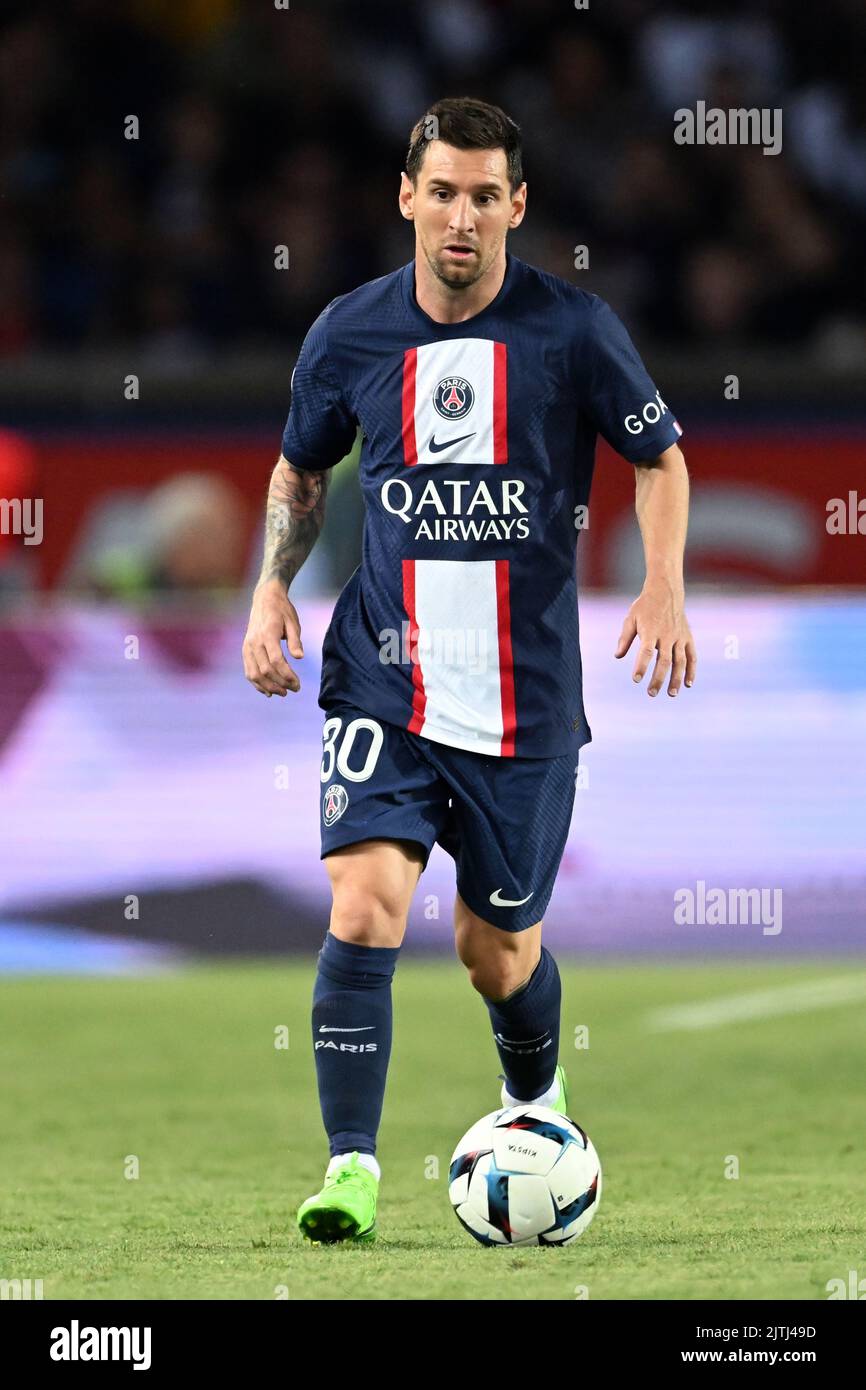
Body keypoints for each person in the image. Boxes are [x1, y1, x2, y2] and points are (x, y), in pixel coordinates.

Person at [242, 97, 696, 1244]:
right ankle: (349, 1166)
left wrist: (662, 583)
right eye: (440, 190)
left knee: (495, 953)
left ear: (516, 206)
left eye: (484, 195)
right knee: (366, 901)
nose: (461, 216)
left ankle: (533, 1103)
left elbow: (659, 458)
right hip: (383, 684)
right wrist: (267, 589)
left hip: (523, 704)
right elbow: (299, 475)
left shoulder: (574, 330)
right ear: (405, 197)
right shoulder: (346, 333)